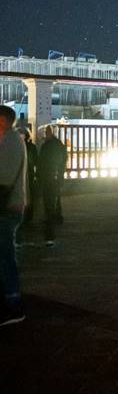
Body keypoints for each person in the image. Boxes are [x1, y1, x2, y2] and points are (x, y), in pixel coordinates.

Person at [0, 105, 27, 326]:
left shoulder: (10, 141)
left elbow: (4, 178)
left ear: (4, 121)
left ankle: (13, 304)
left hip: (6, 208)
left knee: (5, 256)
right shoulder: (11, 140)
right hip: (9, 206)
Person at [36, 125, 66, 247]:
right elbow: (63, 159)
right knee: (55, 196)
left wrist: (39, 173)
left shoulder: (47, 145)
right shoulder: (58, 144)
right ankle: (57, 216)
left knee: (49, 199)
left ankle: (51, 220)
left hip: (49, 175)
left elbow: (42, 160)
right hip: (54, 175)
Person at [21, 130, 37, 230]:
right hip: (29, 174)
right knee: (30, 195)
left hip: (23, 175)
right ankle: (28, 216)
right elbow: (35, 160)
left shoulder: (19, 147)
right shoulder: (32, 147)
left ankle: (24, 216)